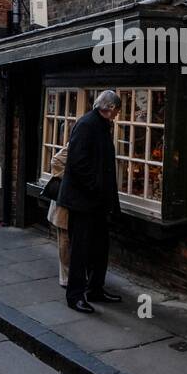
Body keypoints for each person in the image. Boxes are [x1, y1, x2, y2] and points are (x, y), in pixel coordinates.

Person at [57, 90, 123, 313]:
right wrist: (96, 187)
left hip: (97, 202)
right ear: (110, 108)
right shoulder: (87, 125)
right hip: (83, 202)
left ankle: (95, 289)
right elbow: (77, 163)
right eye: (116, 112)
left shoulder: (102, 125)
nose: (116, 116)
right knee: (80, 250)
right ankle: (75, 295)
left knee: (99, 248)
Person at [47, 144, 71, 288]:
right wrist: (71, 180)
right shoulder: (75, 142)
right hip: (64, 201)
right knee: (64, 239)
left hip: (73, 201)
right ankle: (65, 278)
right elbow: (55, 161)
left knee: (68, 240)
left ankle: (70, 276)